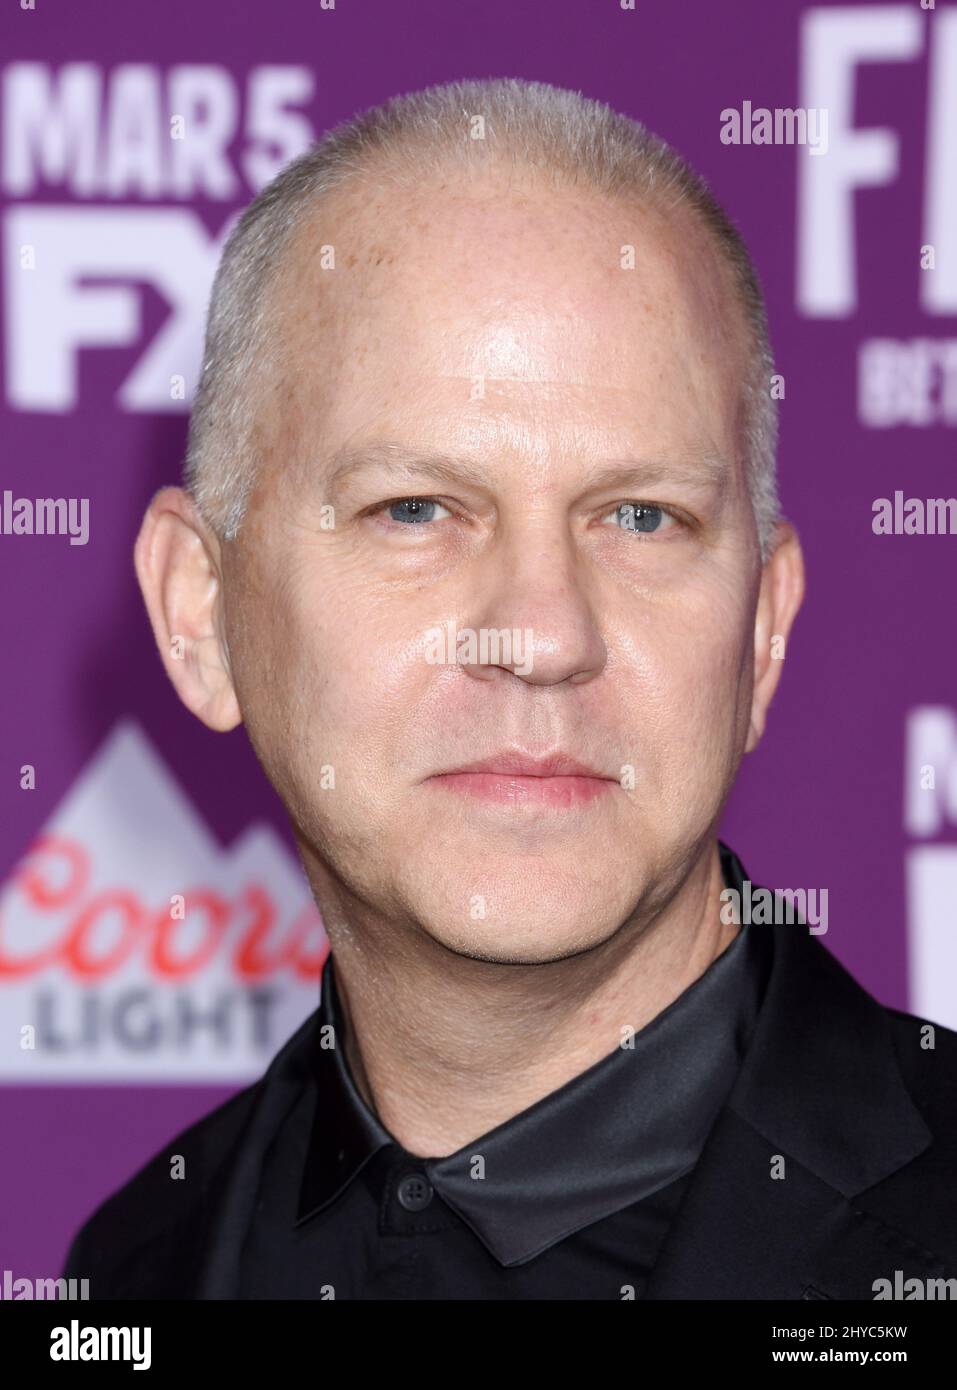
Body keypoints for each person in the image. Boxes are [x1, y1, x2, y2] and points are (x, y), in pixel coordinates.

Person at [62, 77, 957, 1300]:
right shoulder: (135, 1275)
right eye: (416, 510)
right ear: (201, 615)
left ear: (762, 630)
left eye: (643, 517)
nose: (541, 633)